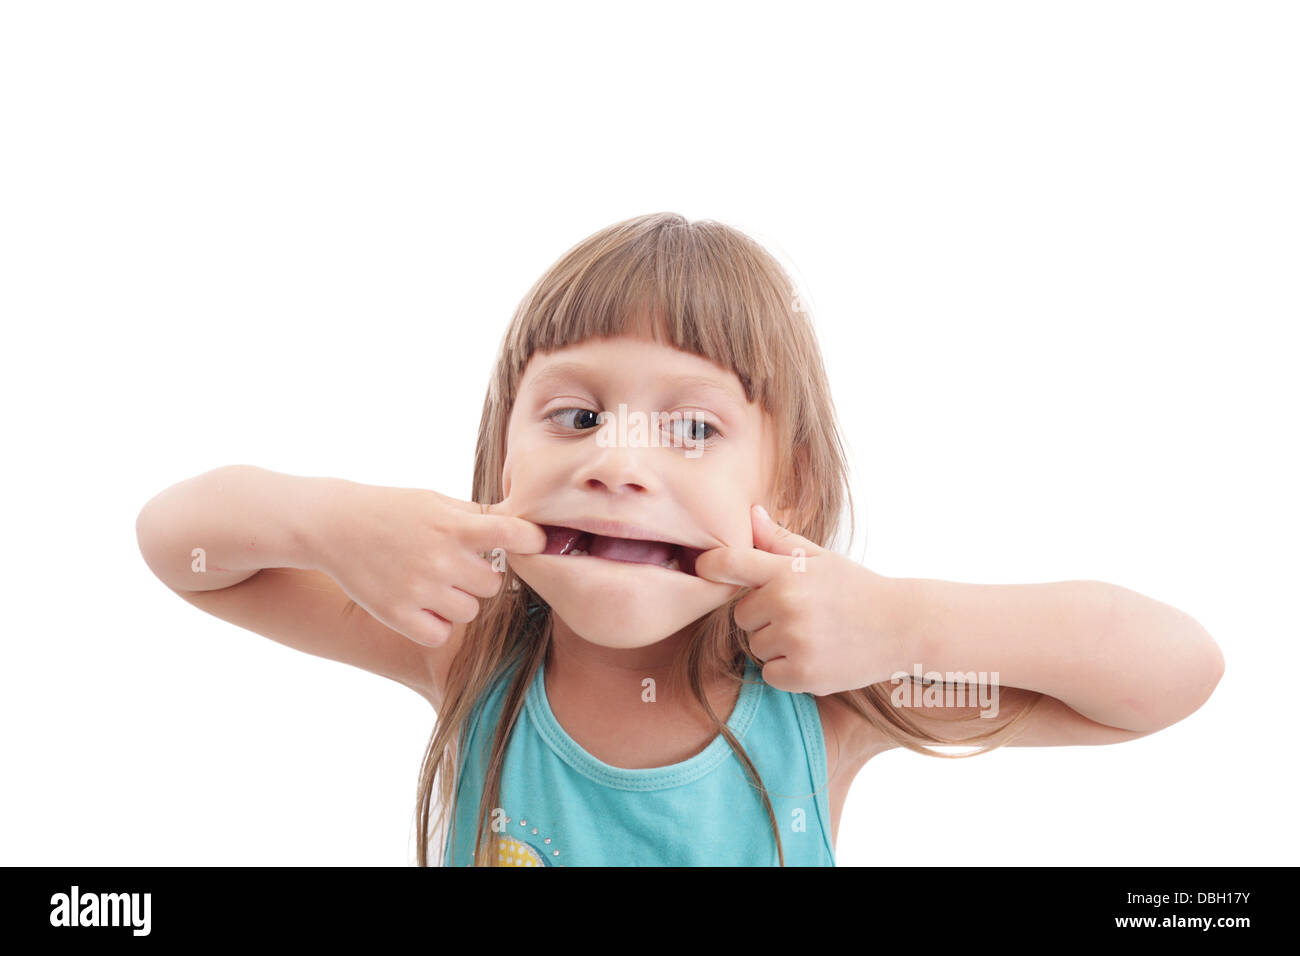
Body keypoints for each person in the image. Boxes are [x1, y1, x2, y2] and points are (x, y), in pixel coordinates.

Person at [136, 212, 1225, 866]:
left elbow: (1170, 672)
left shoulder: (827, 701)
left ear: (784, 483)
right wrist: (330, 517)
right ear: (500, 457)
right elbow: (182, 548)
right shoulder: (463, 650)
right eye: (574, 414)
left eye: (693, 427)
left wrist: (901, 620)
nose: (618, 459)